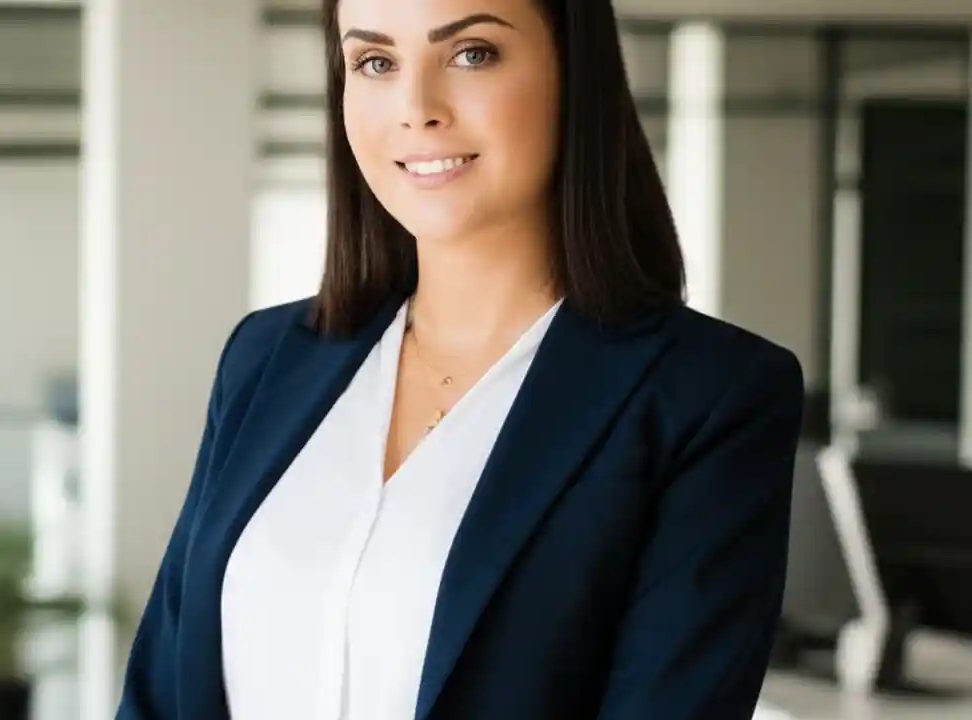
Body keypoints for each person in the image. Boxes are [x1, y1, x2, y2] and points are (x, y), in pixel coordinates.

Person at [116, 0, 804, 717]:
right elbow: (162, 691)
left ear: (574, 73)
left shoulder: (708, 396)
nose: (416, 108)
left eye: (472, 53)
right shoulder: (264, 361)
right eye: (375, 62)